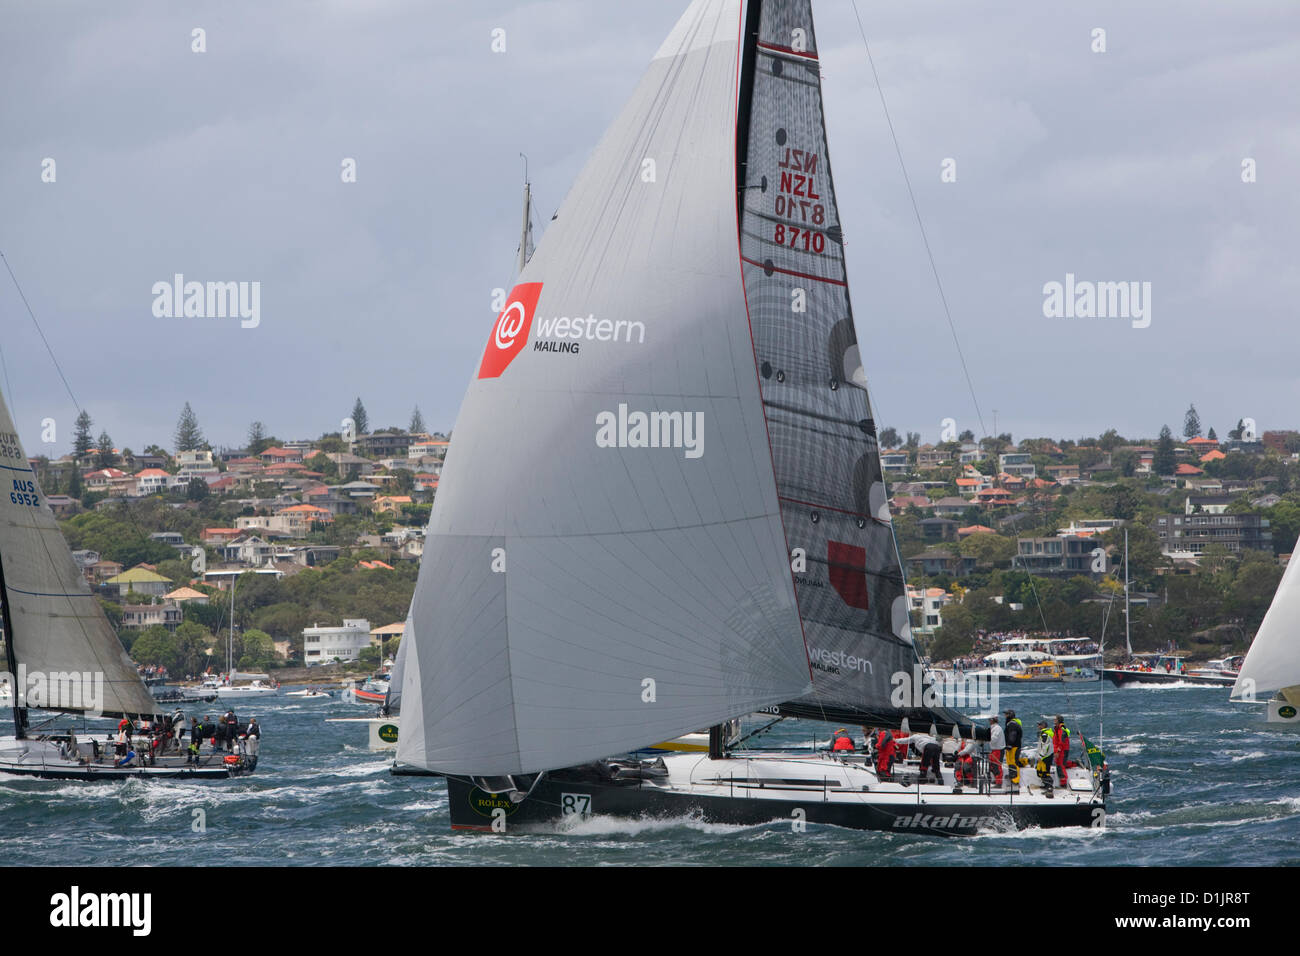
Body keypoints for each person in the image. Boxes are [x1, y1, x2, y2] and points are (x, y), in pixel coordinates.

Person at [1004, 709, 1023, 788]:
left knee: (1014, 762)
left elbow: (1013, 734)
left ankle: (1015, 780)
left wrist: (1010, 744)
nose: (1005, 716)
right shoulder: (1011, 723)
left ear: (1010, 715)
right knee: (1010, 762)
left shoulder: (1012, 724)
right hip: (1012, 746)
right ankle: (1012, 775)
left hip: (1013, 747)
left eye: (1006, 714)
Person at [1053, 714, 1071, 788]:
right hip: (1061, 749)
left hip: (1062, 750)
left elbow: (1061, 741)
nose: (1054, 720)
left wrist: (1058, 751)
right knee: (1061, 763)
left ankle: (1063, 782)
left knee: (1061, 765)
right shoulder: (1058, 729)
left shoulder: (1061, 729)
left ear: (1058, 720)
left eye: (1055, 719)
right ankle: (1075, 763)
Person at [988, 715, 1005, 786]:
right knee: (992, 766)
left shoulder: (997, 729)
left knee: (997, 766)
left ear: (992, 720)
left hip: (998, 750)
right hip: (994, 750)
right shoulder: (994, 728)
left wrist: (987, 738)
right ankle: (996, 780)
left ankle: (999, 782)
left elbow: (994, 739)